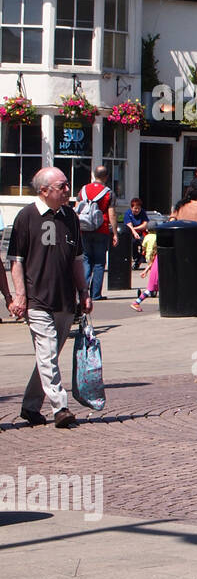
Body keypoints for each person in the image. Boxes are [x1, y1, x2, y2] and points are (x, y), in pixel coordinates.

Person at [6, 167, 92, 428]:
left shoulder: (71, 217)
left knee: (49, 357)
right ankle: (60, 407)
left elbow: (77, 259)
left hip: (65, 299)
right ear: (44, 191)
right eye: (61, 186)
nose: (67, 190)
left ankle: (30, 407)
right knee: (47, 353)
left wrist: (84, 292)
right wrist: (20, 296)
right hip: (38, 299)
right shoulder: (26, 216)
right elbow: (16, 261)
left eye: (67, 185)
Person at [76, 165, 117, 301]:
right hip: (101, 229)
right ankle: (95, 294)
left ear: (94, 175)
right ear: (106, 177)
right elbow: (112, 214)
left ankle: (83, 291)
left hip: (84, 228)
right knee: (99, 262)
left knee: (86, 260)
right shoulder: (108, 193)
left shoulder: (83, 190)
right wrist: (115, 233)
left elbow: (77, 210)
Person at [131, 230, 160, 312]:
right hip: (157, 274)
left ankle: (136, 302)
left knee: (151, 289)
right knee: (150, 289)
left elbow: (151, 263)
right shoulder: (160, 255)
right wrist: (145, 271)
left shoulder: (157, 254)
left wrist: (145, 271)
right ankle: (136, 302)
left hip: (155, 273)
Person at [124, 197, 149, 269]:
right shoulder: (128, 213)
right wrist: (134, 232)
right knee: (133, 242)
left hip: (141, 232)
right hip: (131, 233)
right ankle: (136, 258)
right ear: (131, 208)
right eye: (135, 208)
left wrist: (135, 228)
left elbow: (145, 225)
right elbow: (129, 226)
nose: (137, 210)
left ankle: (142, 258)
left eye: (139, 208)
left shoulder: (143, 212)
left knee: (145, 242)